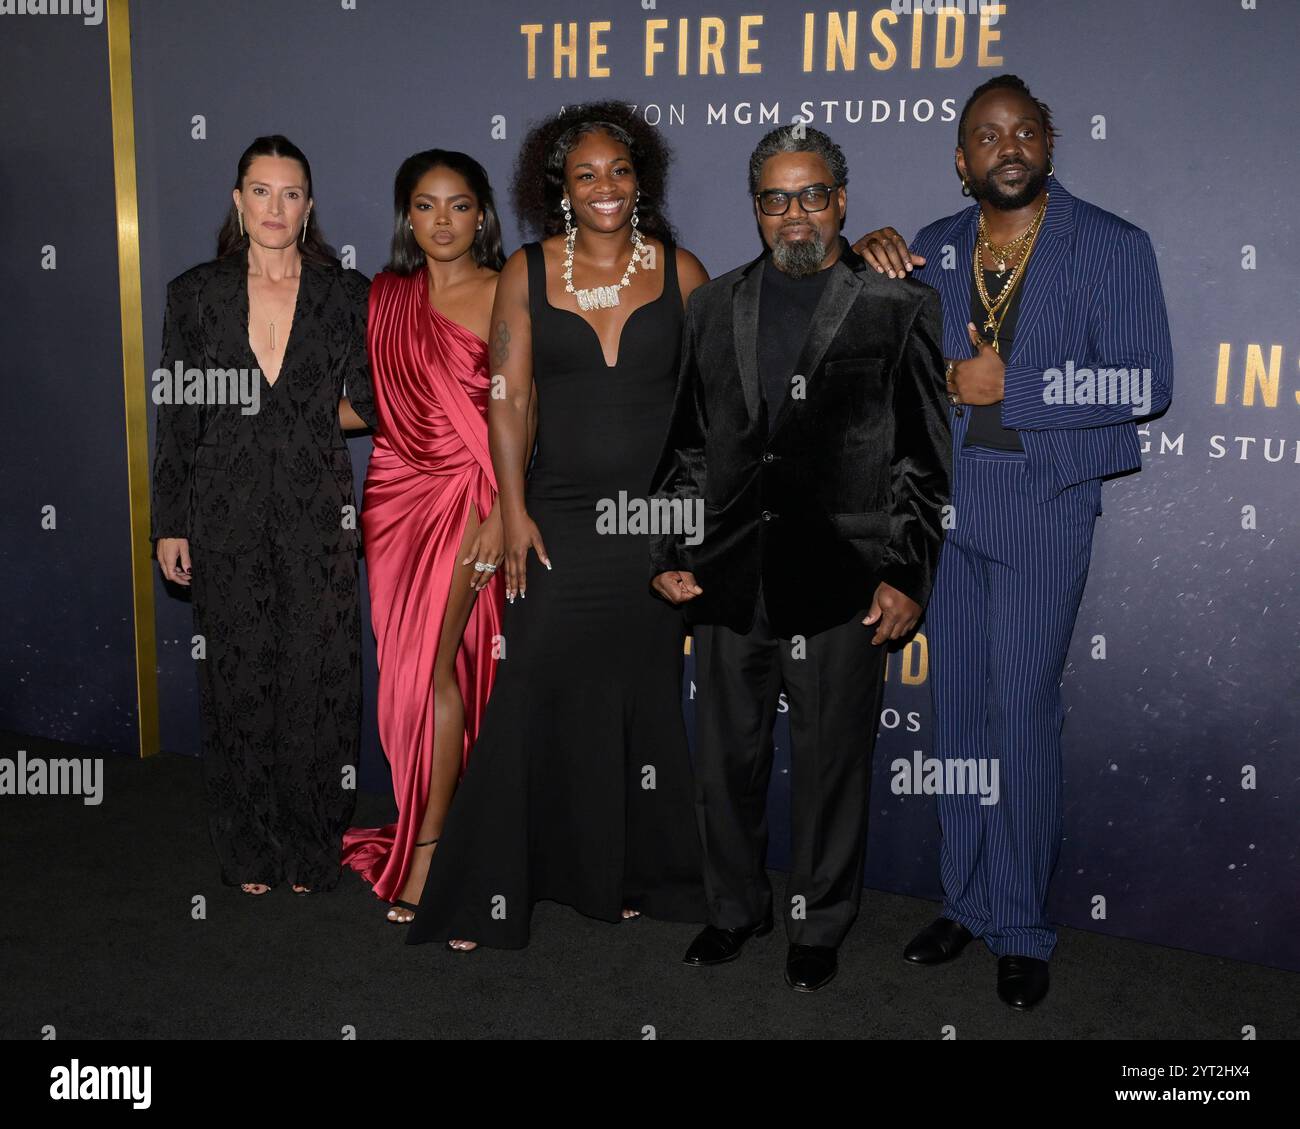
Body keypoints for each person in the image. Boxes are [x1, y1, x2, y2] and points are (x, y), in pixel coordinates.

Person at [854, 74, 1173, 1009]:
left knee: (1022, 713)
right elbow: (864, 340)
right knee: (957, 712)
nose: (1007, 147)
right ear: (962, 160)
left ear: (1049, 144)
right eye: (986, 136)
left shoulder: (1111, 245)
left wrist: (1014, 392)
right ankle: (964, 900)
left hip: (1041, 507)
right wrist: (862, 253)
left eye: (1023, 131)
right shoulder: (934, 247)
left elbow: (1144, 384)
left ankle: (1022, 924)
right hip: (943, 514)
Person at [649, 126, 952, 992]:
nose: (796, 215)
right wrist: (672, 545)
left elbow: (923, 465)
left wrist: (905, 572)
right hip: (730, 576)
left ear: (842, 201)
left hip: (844, 584)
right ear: (756, 209)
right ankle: (734, 909)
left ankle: (819, 925)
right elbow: (689, 446)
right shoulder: (711, 307)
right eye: (777, 199)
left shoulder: (898, 306)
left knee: (829, 771)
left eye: (813, 195)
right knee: (726, 764)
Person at [405, 102, 710, 951]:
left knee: (642, 697)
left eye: (619, 171)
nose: (605, 186)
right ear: (561, 190)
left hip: (655, 521)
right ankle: (489, 890)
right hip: (561, 517)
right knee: (531, 682)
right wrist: (511, 507)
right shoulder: (529, 271)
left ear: (639, 180)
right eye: (586, 174)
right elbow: (511, 397)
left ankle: (629, 877)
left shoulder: (682, 271)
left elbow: (714, 403)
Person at [151, 135, 376, 896]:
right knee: (238, 678)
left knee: (319, 677)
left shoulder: (348, 292)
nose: (275, 207)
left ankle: (311, 843)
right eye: (260, 190)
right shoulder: (193, 294)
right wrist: (169, 520)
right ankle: (248, 846)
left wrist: (308, 417)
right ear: (237, 199)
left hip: (319, 509)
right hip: (223, 506)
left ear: (309, 205)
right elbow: (178, 413)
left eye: (291, 193)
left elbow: (374, 399)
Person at [341, 151, 517, 924]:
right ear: (405, 217)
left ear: (482, 215)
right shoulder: (385, 295)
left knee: (434, 668)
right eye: (424, 206)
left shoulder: (506, 291)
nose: (441, 221)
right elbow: (372, 404)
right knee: (401, 682)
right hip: (392, 499)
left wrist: (503, 507)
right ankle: (432, 820)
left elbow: (521, 407)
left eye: (458, 205)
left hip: (469, 497)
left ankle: (432, 849)